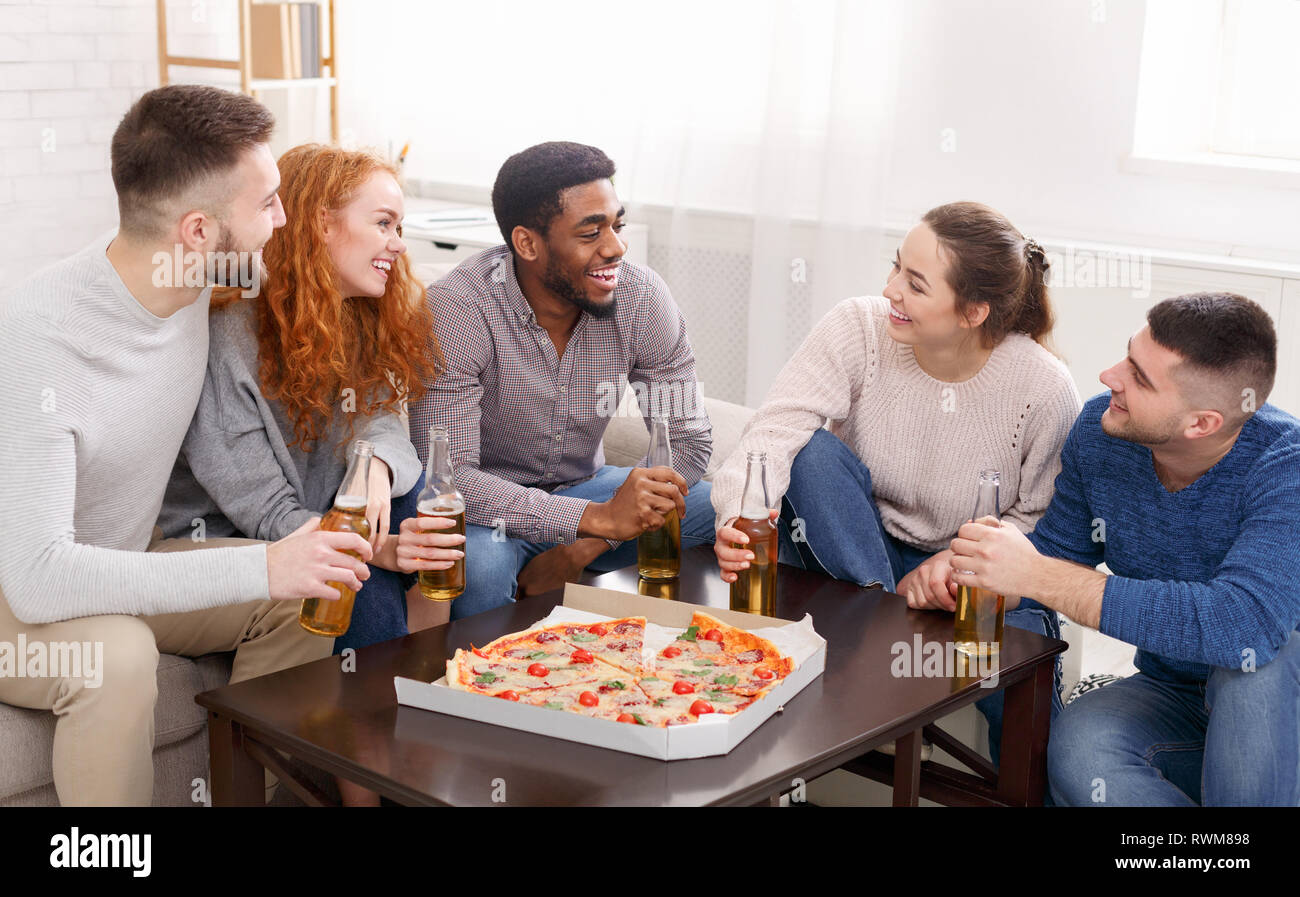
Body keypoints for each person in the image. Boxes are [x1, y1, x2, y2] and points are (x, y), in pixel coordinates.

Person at [0, 85, 377, 806]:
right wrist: (265, 562)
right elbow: (40, 578)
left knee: (314, 584)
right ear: (199, 230)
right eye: (268, 202)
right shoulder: (41, 335)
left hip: (122, 558)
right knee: (114, 656)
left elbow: (361, 337)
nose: (284, 219)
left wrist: (375, 457)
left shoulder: (212, 270)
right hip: (19, 586)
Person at [711, 202, 1082, 762]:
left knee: (1025, 687)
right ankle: (881, 625)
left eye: (914, 283)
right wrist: (740, 516)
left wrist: (958, 566)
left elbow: (1041, 521)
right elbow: (776, 429)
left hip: (971, 573)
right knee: (810, 450)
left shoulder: (1044, 388)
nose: (890, 290)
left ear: (973, 311)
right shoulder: (857, 327)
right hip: (859, 552)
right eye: (894, 268)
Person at [950, 292, 1300, 806]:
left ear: (1201, 423)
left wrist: (1038, 576)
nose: (1109, 376)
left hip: (1277, 705)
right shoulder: (1101, 432)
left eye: (1138, 376)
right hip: (1175, 691)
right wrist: (981, 571)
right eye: (1127, 354)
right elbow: (1059, 554)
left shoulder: (1285, 465)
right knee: (1079, 750)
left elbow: (1242, 624)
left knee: (1256, 665)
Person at [158, 143, 461, 657]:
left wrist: (376, 468)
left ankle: (426, 682)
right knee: (352, 567)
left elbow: (383, 414)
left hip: (317, 516)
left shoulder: (359, 313)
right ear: (322, 224)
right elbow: (262, 506)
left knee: (421, 505)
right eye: (384, 224)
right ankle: (380, 712)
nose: (399, 245)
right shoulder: (227, 329)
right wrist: (376, 547)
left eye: (400, 228)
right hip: (233, 540)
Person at [408, 141, 715, 619]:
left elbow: (688, 441)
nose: (615, 247)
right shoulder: (458, 310)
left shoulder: (642, 297)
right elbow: (451, 477)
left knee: (725, 509)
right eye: (591, 233)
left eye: (617, 225)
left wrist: (587, 541)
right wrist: (592, 519)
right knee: (480, 567)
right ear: (528, 244)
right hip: (489, 509)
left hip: (589, 486)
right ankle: (487, 687)